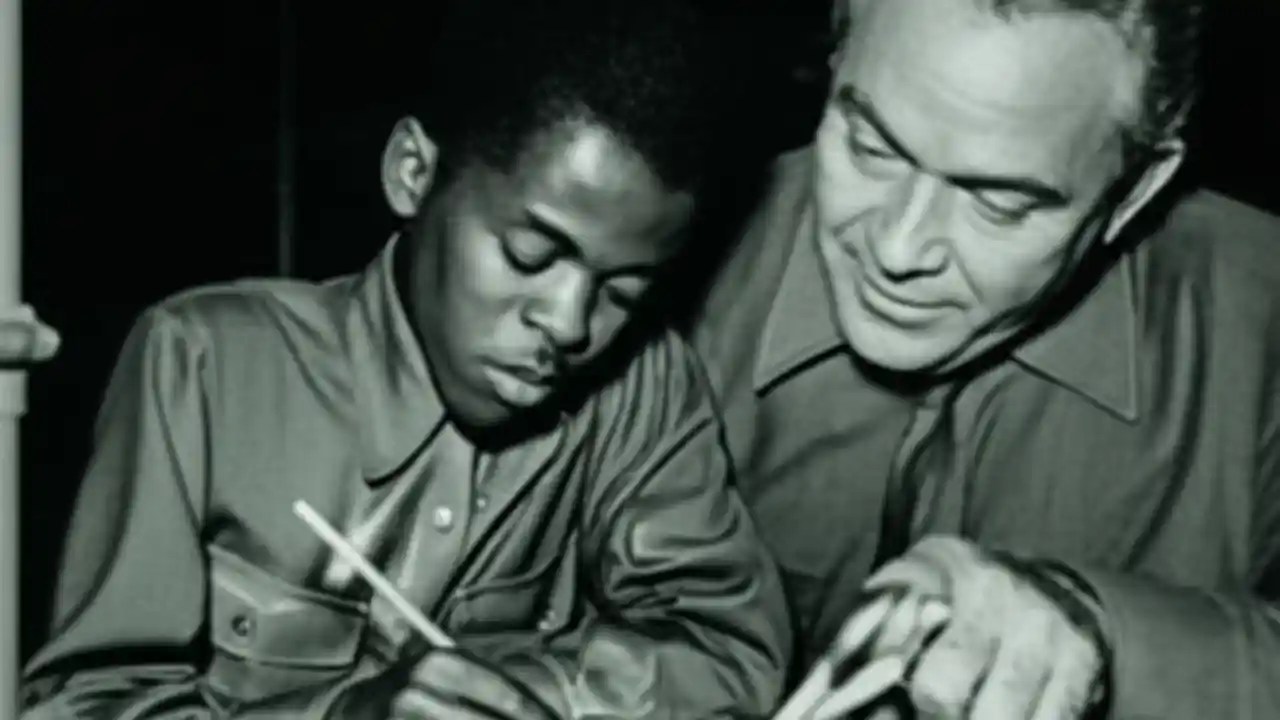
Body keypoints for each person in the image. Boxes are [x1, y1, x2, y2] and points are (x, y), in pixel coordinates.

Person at [20, 2, 790, 718]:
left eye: (623, 290)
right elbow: (82, 705)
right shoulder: (201, 366)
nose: (570, 323)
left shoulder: (643, 387)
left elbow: (731, 653)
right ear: (413, 173)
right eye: (530, 255)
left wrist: (513, 688)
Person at [688, 0, 1280, 718]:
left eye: (996, 204)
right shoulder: (663, 264)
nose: (897, 250)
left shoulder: (1264, 331)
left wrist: (1107, 641)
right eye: (870, 147)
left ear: (1136, 191)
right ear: (835, 65)